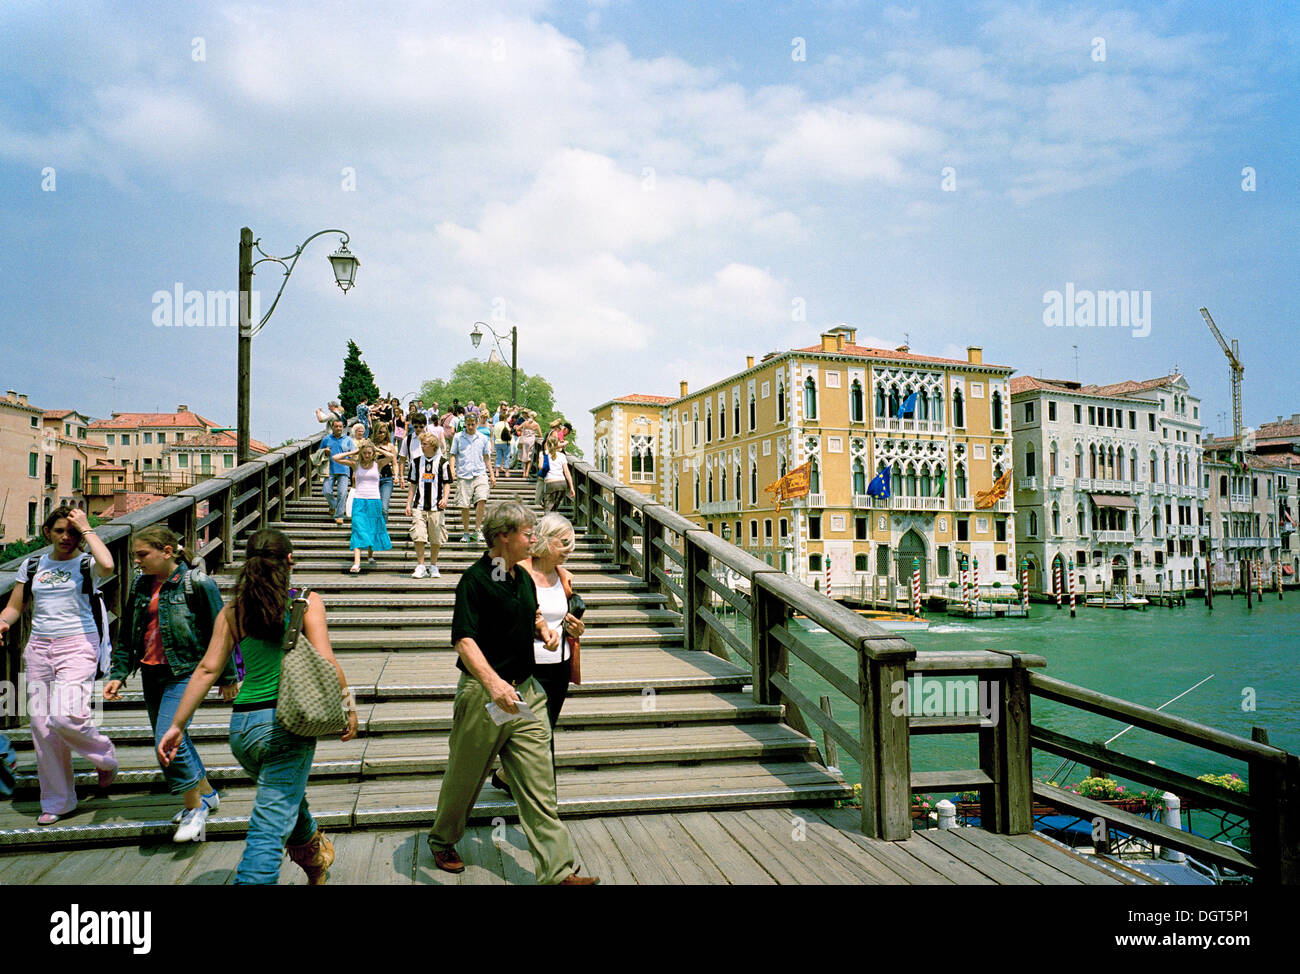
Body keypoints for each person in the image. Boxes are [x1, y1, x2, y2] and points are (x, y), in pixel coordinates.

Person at [160, 529, 358, 884]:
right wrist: (350, 708)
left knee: (283, 799)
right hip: (287, 728)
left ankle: (315, 858)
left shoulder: (232, 611)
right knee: (267, 830)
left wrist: (176, 725)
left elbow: (207, 670)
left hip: (243, 731)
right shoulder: (306, 601)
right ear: (289, 560)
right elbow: (328, 662)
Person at [425, 501, 596, 885]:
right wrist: (493, 683)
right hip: (484, 694)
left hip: (525, 693)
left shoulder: (521, 577)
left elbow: (529, 614)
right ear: (503, 536)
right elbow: (464, 641)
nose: (532, 538)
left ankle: (558, 870)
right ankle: (442, 840)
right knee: (465, 777)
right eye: (526, 532)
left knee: (539, 781)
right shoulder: (475, 581)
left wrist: (544, 631)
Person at [104, 525, 237, 841]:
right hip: (152, 675)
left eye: (142, 554)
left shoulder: (198, 583)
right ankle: (206, 793)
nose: (137, 561)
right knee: (177, 736)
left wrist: (229, 677)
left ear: (167, 551)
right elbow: (127, 634)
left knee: (168, 739)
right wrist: (118, 674)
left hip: (185, 673)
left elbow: (222, 632)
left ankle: (194, 810)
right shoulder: (140, 584)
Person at [0, 507, 117, 824]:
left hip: (77, 644)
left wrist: (87, 528)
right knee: (42, 726)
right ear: (47, 532)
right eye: (60, 531)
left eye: (73, 532)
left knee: (66, 715)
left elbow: (108, 565)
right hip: (39, 648)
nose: (66, 537)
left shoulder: (86, 562)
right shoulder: (33, 563)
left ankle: (104, 757)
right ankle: (58, 801)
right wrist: (2, 623)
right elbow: (15, 606)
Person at [519, 513, 584, 771]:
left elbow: (563, 620)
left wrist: (576, 630)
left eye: (571, 544)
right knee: (538, 732)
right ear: (545, 540)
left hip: (559, 666)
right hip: (527, 668)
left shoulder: (564, 577)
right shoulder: (519, 573)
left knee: (546, 728)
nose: (569, 550)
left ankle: (506, 776)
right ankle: (544, 798)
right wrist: (538, 630)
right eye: (564, 543)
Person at [334, 440, 392, 572]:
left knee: (372, 528)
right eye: (364, 452)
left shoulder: (378, 465)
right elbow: (335, 458)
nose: (366, 455)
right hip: (359, 500)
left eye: (369, 453)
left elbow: (392, 457)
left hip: (374, 500)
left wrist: (378, 449)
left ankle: (370, 555)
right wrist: (353, 452)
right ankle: (356, 563)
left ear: (373, 454)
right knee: (358, 528)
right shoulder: (356, 464)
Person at [406, 430, 451, 578]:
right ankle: (420, 566)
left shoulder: (443, 463)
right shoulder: (416, 462)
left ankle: (433, 566)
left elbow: (447, 483)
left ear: (433, 445)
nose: (422, 446)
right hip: (419, 505)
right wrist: (408, 503)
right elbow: (412, 484)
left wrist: (445, 498)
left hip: (436, 506)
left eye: (424, 444)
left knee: (436, 537)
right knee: (418, 535)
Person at [450, 412, 496, 544]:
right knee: (464, 505)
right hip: (464, 474)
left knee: (482, 499)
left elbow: (486, 457)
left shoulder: (483, 438)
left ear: (477, 424)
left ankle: (477, 529)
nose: (470, 427)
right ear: (465, 424)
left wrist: (492, 475)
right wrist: (452, 469)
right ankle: (466, 531)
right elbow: (453, 454)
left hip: (480, 473)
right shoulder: (458, 437)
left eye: (473, 424)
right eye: (468, 424)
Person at [320, 419, 355, 526]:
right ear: (332, 427)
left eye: (340, 426)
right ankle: (333, 506)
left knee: (342, 493)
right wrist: (325, 451)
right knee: (326, 491)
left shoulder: (348, 440)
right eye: (336, 426)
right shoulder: (326, 439)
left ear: (343, 427)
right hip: (329, 469)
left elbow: (354, 454)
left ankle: (339, 516)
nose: (339, 428)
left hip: (344, 470)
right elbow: (318, 452)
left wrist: (354, 471)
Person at [370, 420, 400, 521]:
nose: (382, 434)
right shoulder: (370, 444)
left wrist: (396, 475)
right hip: (372, 478)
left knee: (384, 508)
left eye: (384, 432)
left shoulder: (390, 446)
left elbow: (395, 463)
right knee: (373, 507)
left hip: (386, 478)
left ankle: (382, 530)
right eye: (380, 432)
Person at [541, 434, 576, 512]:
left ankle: (547, 523)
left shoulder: (544, 454)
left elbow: (541, 467)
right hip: (562, 483)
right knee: (554, 509)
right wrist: (571, 487)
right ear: (557, 444)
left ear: (547, 444)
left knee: (548, 509)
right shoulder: (562, 456)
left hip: (550, 483)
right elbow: (567, 472)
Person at [517, 411, 540, 480]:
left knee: (524, 456)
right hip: (531, 441)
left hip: (524, 440)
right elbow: (540, 434)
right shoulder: (536, 424)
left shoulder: (525, 423)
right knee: (530, 457)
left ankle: (523, 473)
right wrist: (534, 434)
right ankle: (527, 473)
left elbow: (518, 428)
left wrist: (524, 431)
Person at [492, 412, 512, 478]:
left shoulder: (496, 425)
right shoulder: (505, 424)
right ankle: (506, 472)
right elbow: (508, 431)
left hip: (497, 442)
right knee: (506, 457)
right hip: (505, 442)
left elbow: (494, 434)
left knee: (498, 456)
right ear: (504, 418)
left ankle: (497, 472)